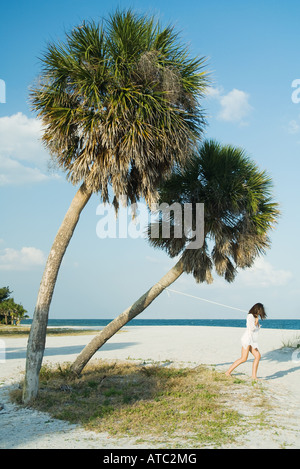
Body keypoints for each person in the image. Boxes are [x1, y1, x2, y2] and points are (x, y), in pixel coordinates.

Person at [225, 303, 267, 380]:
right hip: (247, 339)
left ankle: (254, 376)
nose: (260, 313)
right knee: (243, 358)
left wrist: (257, 321)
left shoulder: (254, 317)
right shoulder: (250, 316)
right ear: (257, 309)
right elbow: (252, 328)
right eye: (260, 311)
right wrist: (256, 321)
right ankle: (228, 372)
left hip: (252, 340)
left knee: (258, 356)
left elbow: (256, 329)